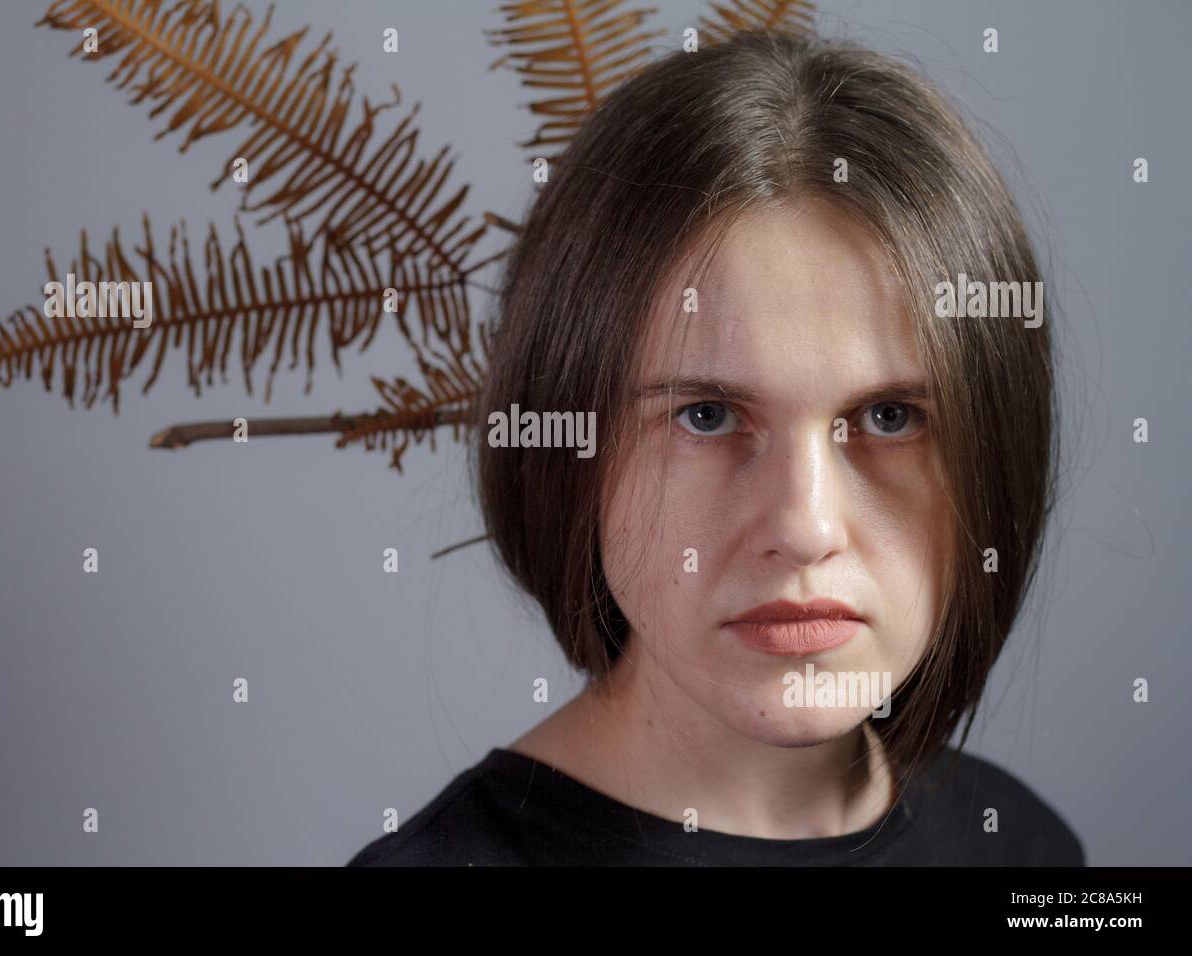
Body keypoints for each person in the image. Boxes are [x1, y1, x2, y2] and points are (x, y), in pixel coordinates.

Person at [348, 26, 1084, 866]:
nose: (806, 528)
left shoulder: (1029, 851)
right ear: (569, 456)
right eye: (706, 415)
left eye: (889, 418)